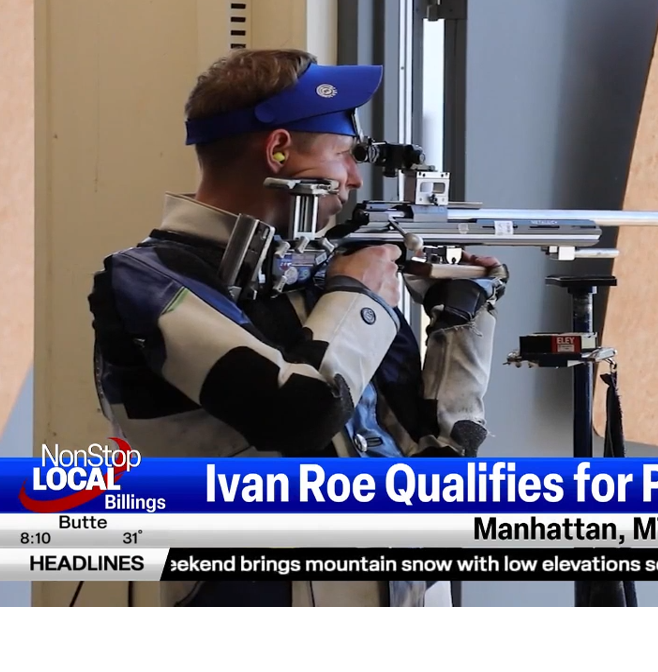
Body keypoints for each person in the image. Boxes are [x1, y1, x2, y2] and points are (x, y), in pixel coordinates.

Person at [87, 48, 507, 607]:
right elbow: (300, 415)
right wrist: (359, 296)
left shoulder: (318, 281)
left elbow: (438, 464)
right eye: (344, 155)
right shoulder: (149, 281)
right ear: (279, 149)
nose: (355, 179)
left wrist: (461, 320)